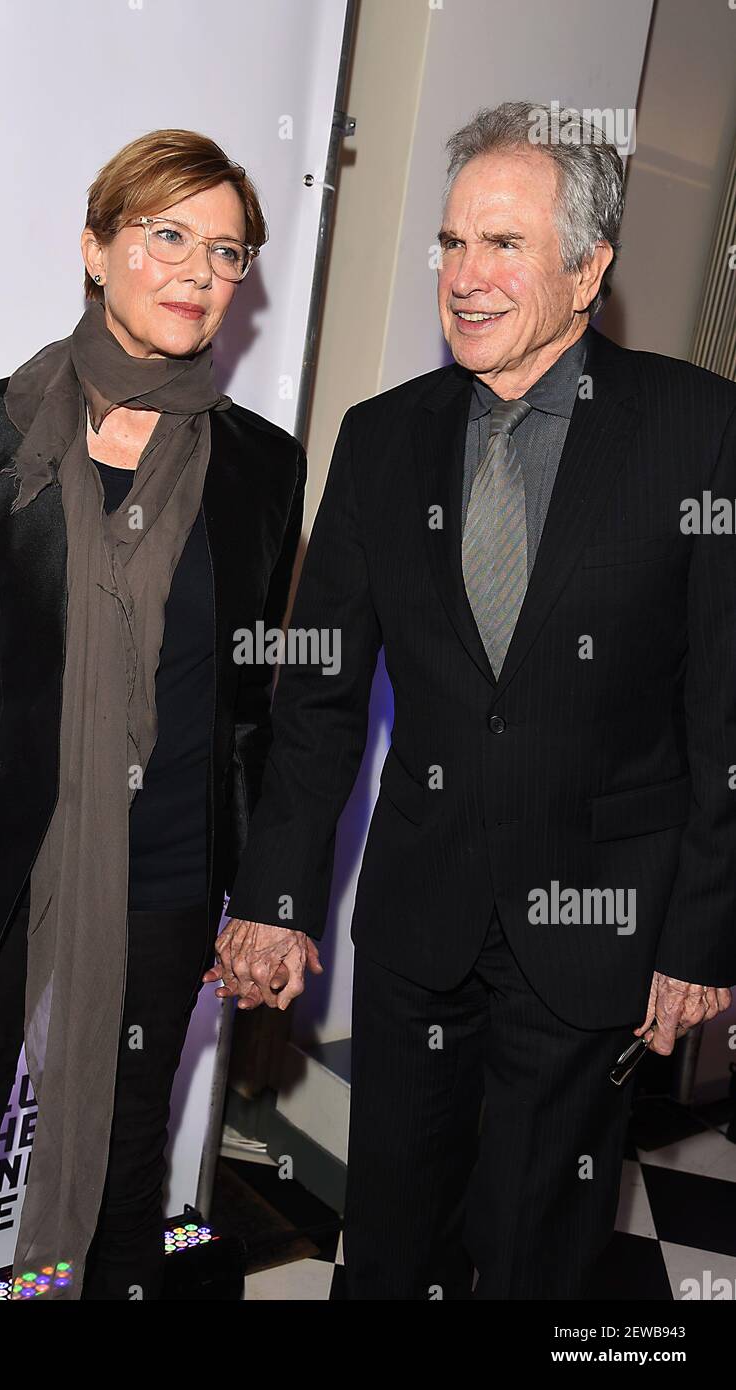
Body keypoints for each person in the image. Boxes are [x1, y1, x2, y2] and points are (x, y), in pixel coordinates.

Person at [212, 100, 736, 1299]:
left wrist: (700, 939)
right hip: (420, 915)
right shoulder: (383, 439)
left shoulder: (697, 433)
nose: (464, 276)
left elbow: (724, 712)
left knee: (538, 1248)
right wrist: (278, 896)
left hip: (597, 923)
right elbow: (319, 699)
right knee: (389, 1242)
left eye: (501, 245)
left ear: (588, 267)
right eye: (451, 244)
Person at [0, 128, 306, 1301]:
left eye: (227, 250)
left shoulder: (261, 468)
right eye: (166, 236)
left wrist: (261, 900)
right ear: (95, 250)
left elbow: (257, 711)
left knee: (121, 1185)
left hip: (159, 891)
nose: (199, 271)